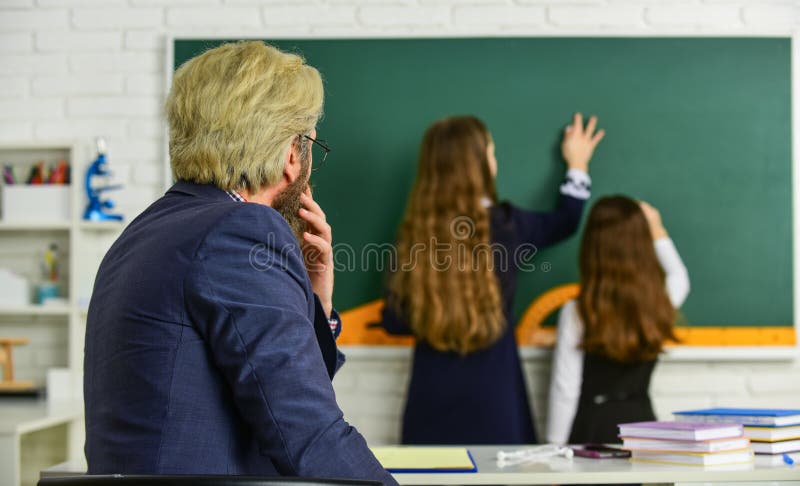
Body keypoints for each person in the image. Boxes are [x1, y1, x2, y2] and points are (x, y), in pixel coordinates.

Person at [83, 41, 397, 485]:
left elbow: (272, 391)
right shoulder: (242, 231)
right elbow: (309, 436)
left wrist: (315, 304)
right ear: (291, 153)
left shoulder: (145, 231)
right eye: (309, 144)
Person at [382, 113, 605, 444]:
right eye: (491, 151)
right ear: (480, 165)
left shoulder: (414, 237)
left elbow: (395, 322)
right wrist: (577, 163)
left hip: (430, 403)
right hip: (497, 402)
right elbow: (567, 220)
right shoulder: (509, 226)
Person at [546, 196, 690, 445]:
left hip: (592, 428)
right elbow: (679, 275)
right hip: (645, 428)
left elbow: (565, 389)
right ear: (642, 245)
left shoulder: (578, 312)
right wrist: (657, 228)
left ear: (593, 247)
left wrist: (552, 448)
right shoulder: (657, 303)